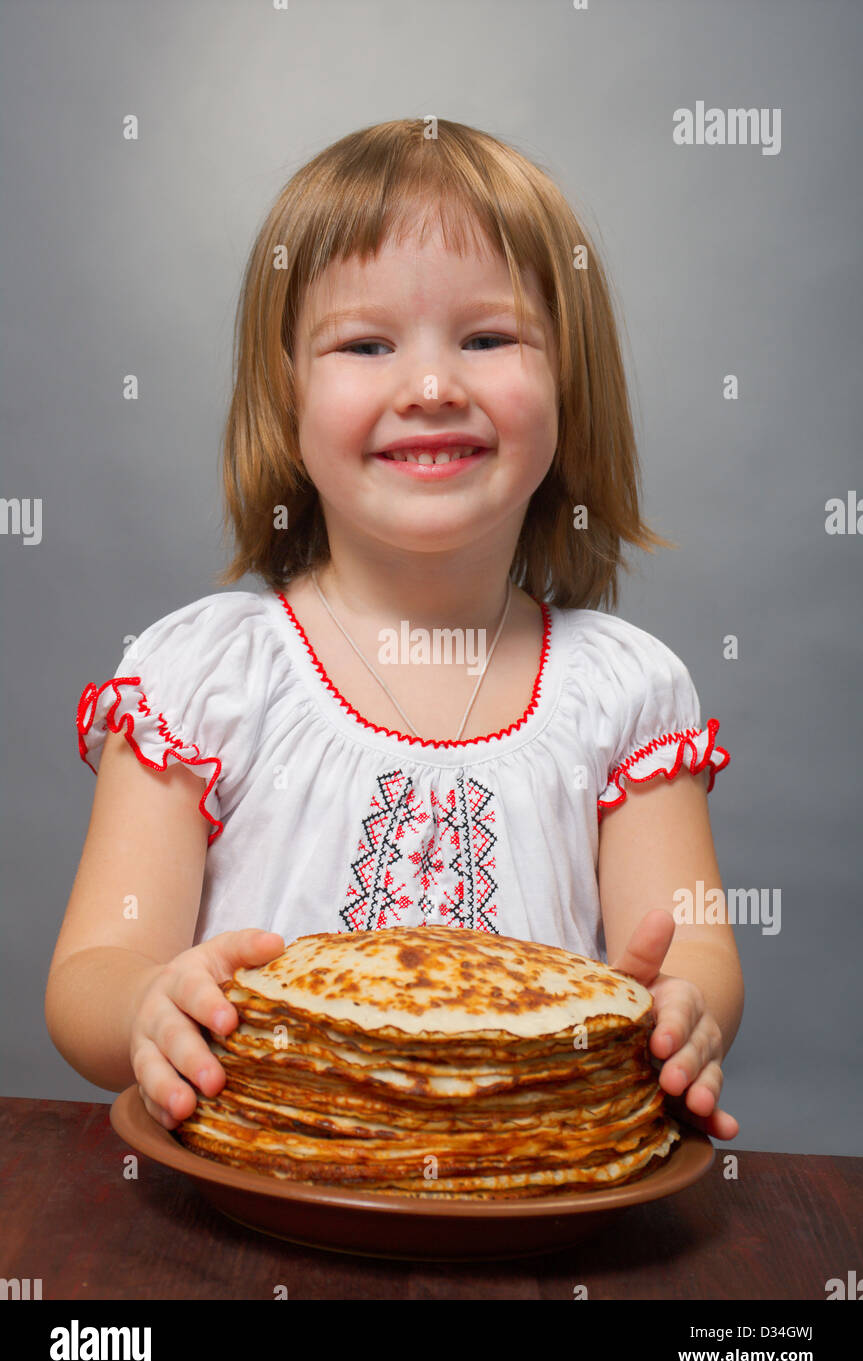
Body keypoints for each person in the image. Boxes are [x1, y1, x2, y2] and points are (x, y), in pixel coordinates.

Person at [46, 117, 743, 1148]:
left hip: (526, 1198)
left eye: (487, 338)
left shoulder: (623, 692)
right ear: (284, 400)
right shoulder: (205, 679)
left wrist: (683, 1008)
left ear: (568, 385)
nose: (429, 387)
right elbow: (90, 975)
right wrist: (150, 1003)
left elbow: (694, 952)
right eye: (365, 345)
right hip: (253, 1194)